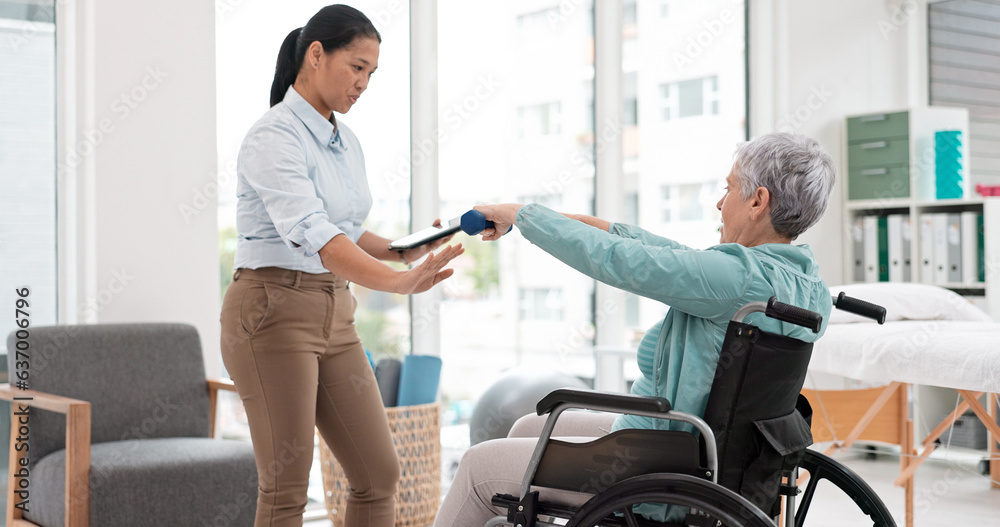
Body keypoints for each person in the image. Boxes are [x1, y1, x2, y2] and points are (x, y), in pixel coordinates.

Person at [432, 132, 836, 526]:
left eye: (728, 189)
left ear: (757, 201)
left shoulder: (736, 279)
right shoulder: (803, 283)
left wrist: (521, 213)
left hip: (663, 458)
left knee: (475, 468)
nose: (719, 202)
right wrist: (525, 220)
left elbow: (621, 260)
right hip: (706, 449)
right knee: (525, 428)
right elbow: (649, 248)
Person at [220, 5, 463, 527]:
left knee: (378, 475)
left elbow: (345, 229)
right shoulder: (274, 136)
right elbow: (318, 235)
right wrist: (398, 282)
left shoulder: (345, 141)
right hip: (271, 312)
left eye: (372, 73)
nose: (364, 83)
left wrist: (403, 250)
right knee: (286, 489)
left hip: (335, 311)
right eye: (356, 67)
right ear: (315, 55)